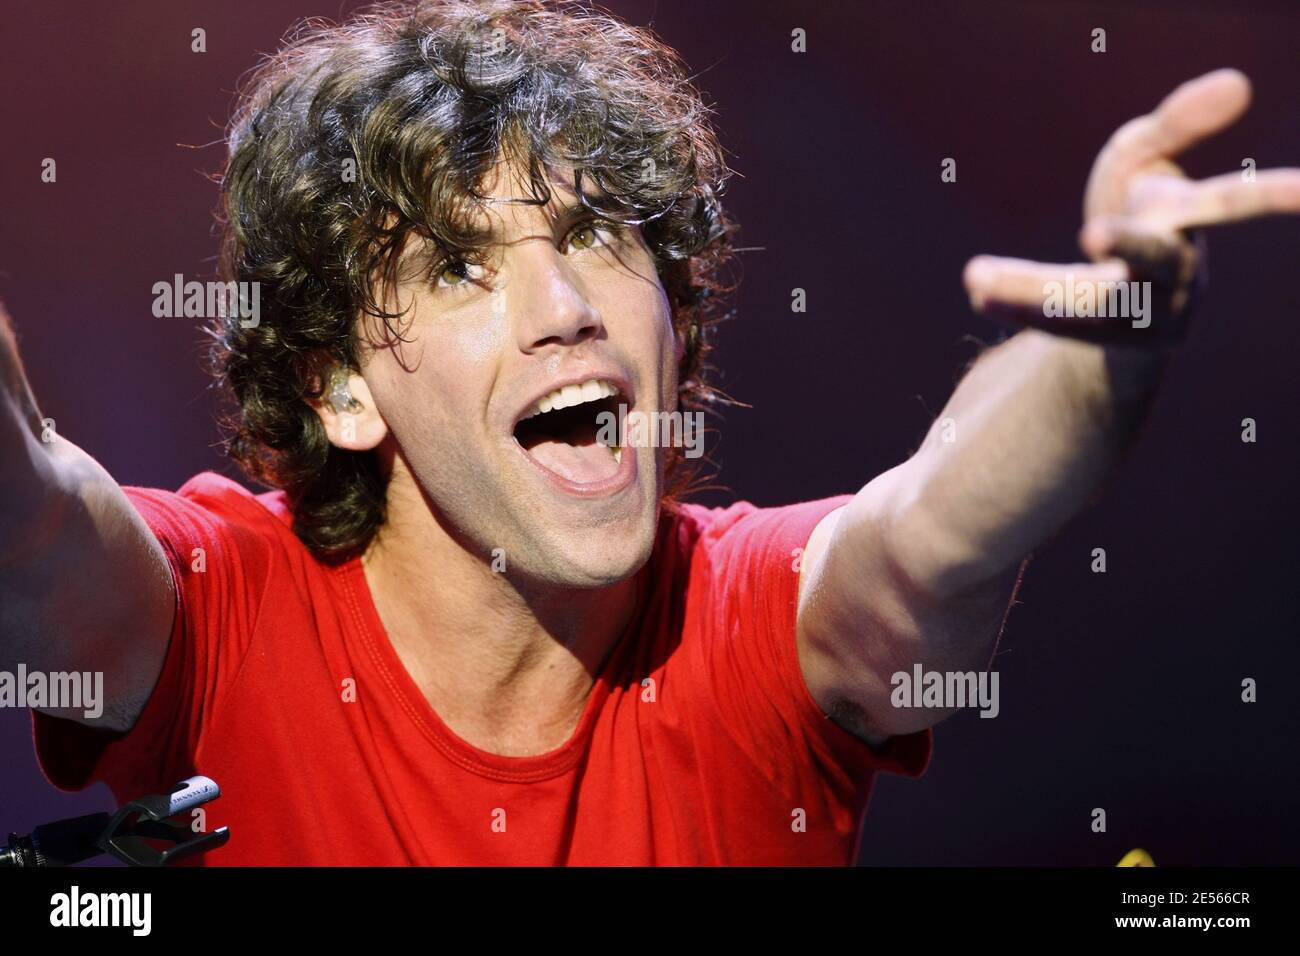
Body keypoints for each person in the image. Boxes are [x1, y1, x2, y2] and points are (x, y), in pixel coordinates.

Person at [3, 0, 1297, 865]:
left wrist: (1104, 349)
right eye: (460, 267)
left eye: (596, 238)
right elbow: (32, 514)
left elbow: (943, 522)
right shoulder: (218, 607)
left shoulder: (749, 626)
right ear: (340, 391)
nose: (565, 309)